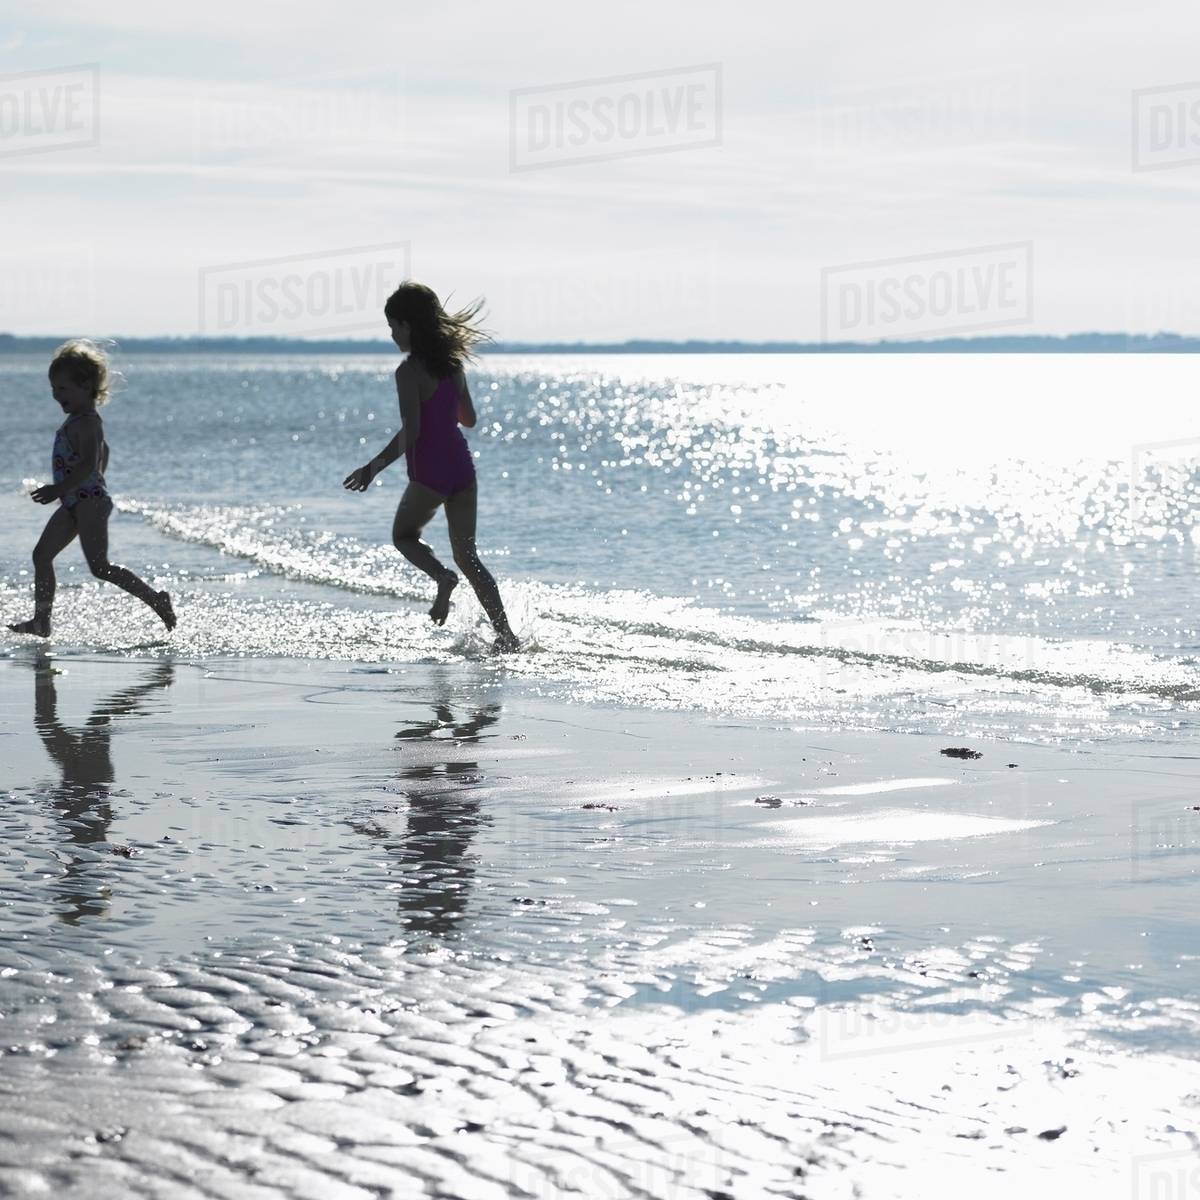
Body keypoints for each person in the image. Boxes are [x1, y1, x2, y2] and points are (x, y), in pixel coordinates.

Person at [343, 283, 519, 652]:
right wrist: (446, 403)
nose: (392, 335)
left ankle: (441, 578)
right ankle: (506, 635)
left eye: (393, 327)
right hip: (462, 469)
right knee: (469, 557)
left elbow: (413, 430)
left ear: (409, 326)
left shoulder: (408, 372)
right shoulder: (453, 365)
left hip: (430, 473)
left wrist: (373, 468)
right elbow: (468, 419)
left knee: (403, 536)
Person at [7, 339, 176, 638]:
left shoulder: (87, 423)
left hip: (88, 502)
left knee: (100, 567)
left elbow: (88, 465)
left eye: (63, 388)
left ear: (86, 387)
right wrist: (79, 489)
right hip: (78, 501)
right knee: (41, 555)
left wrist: (61, 489)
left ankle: (156, 599)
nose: (57, 395)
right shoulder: (78, 420)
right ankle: (41, 621)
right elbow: (103, 455)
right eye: (53, 389)